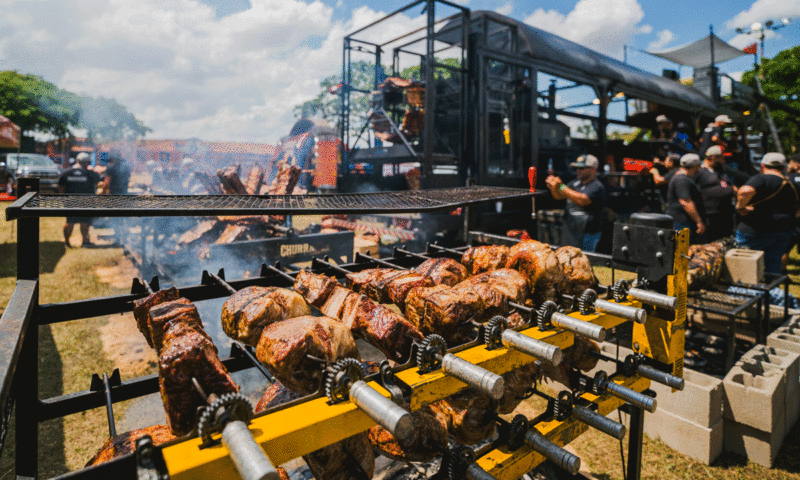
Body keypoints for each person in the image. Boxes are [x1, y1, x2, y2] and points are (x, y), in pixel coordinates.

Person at [736, 152, 800, 275]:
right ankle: (773, 290)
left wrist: (740, 207)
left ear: (763, 165)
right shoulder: (792, 183)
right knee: (774, 266)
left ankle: (749, 291)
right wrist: (792, 215)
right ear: (783, 167)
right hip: (783, 231)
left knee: (747, 269)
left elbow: (745, 191)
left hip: (755, 230)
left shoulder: (761, 178)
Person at [546, 154, 606, 252]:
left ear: (593, 169)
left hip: (588, 234)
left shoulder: (597, 186)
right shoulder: (575, 183)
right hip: (571, 231)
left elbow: (582, 200)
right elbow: (559, 196)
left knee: (587, 260)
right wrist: (553, 187)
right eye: (577, 168)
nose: (578, 170)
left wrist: (561, 186)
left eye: (582, 168)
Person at [58, 152, 102, 247]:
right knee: (85, 222)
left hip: (70, 201)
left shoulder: (66, 172)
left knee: (70, 221)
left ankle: (66, 242)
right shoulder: (90, 173)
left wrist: (63, 198)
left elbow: (61, 186)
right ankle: (85, 242)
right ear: (86, 162)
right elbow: (100, 180)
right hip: (86, 201)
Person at [694, 146, 734, 241]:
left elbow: (728, 184)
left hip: (725, 213)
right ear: (713, 158)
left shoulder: (720, 171)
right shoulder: (699, 172)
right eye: (722, 158)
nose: (724, 161)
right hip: (709, 215)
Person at [665, 153, 706, 243]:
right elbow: (685, 202)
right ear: (695, 166)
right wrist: (699, 221)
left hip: (684, 222)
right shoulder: (681, 180)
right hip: (681, 222)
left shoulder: (685, 178)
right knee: (681, 252)